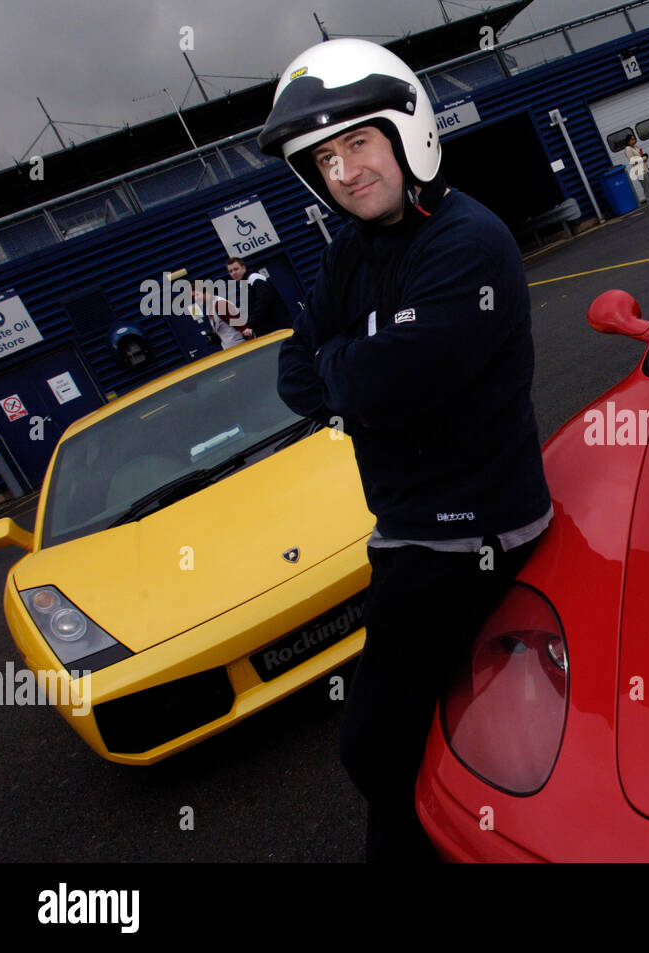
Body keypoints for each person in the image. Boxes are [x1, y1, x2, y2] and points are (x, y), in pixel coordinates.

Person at [257, 37, 552, 862]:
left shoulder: (468, 243)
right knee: (423, 731)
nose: (344, 170)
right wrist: (344, 366)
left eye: (357, 142)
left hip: (472, 535)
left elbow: (377, 387)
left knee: (374, 745)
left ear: (405, 132)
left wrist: (343, 366)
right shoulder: (350, 248)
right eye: (324, 157)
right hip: (410, 532)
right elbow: (299, 370)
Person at [225, 256, 292, 336]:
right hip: (266, 329)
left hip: (277, 327)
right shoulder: (244, 285)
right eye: (231, 271)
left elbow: (263, 303)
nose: (234, 273)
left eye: (236, 269)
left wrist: (251, 325)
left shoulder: (255, 279)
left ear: (243, 267)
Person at [191, 282, 252, 348]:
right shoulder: (210, 307)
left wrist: (246, 333)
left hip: (240, 345)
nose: (196, 299)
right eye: (194, 296)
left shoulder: (220, 305)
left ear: (206, 292)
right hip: (230, 346)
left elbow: (241, 324)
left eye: (197, 295)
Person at [625, 134, 649, 209]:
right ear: (628, 141)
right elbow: (632, 161)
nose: (634, 141)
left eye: (634, 139)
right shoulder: (628, 149)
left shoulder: (636, 147)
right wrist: (643, 158)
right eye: (632, 140)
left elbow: (642, 157)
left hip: (646, 168)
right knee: (647, 188)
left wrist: (645, 157)